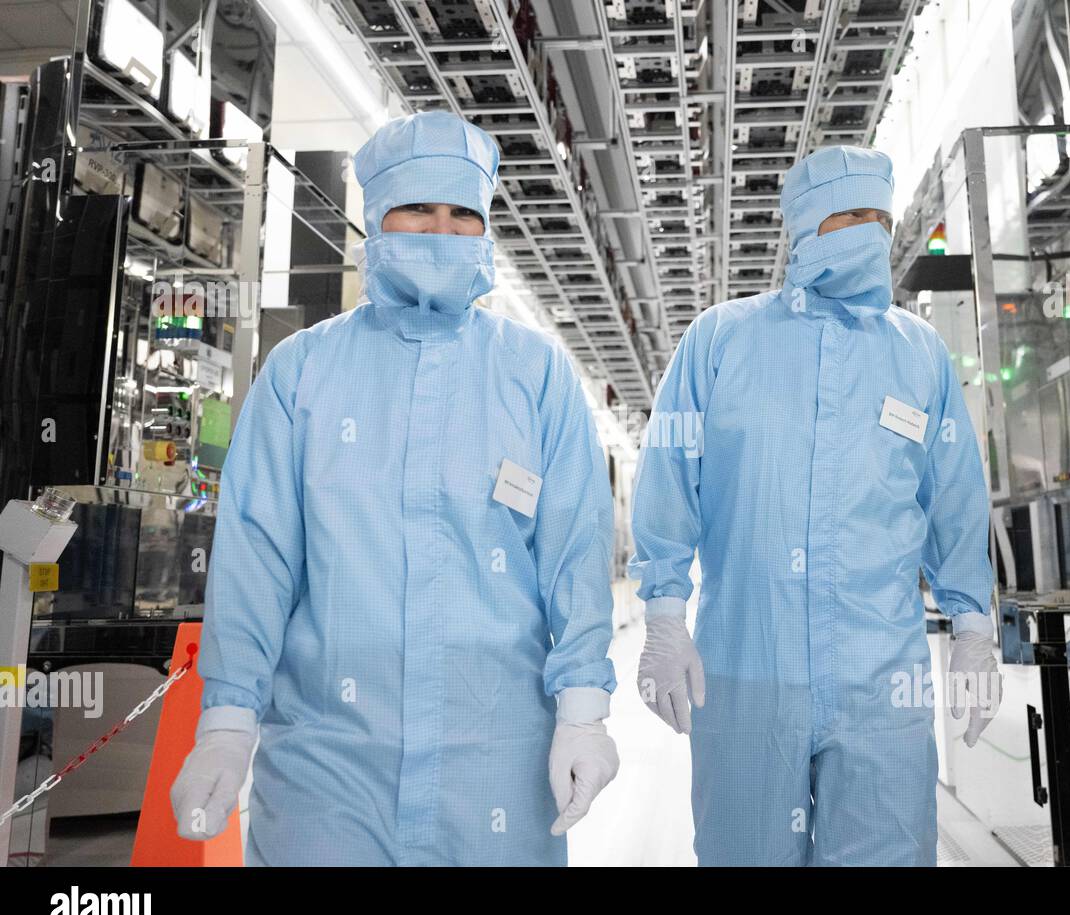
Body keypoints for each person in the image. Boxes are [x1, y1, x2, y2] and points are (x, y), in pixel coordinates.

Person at [170, 111, 619, 866]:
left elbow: (575, 550)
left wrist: (582, 709)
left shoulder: (536, 374)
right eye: (418, 209)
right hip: (329, 763)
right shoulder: (301, 373)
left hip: (497, 756)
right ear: (376, 218)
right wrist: (226, 722)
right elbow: (257, 555)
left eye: (462, 214)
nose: (441, 231)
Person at [630, 145, 1000, 866]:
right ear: (802, 227)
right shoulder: (721, 340)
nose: (866, 231)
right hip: (746, 673)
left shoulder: (919, 354)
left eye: (877, 218)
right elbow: (668, 479)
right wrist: (663, 616)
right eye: (846, 215)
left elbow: (954, 497)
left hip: (880, 679)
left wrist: (974, 624)